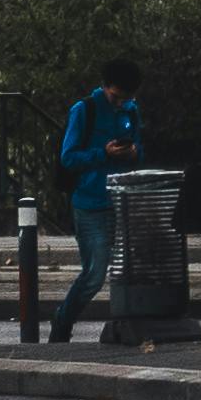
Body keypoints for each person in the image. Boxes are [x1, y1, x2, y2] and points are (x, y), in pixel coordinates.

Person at [43, 55, 143, 341]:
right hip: (90, 203)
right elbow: (68, 157)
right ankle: (63, 321)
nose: (119, 103)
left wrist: (133, 153)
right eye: (115, 97)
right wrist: (103, 154)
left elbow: (140, 149)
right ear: (106, 87)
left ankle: (127, 327)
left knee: (128, 271)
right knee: (95, 273)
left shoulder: (130, 111)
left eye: (125, 99)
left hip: (122, 201)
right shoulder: (84, 110)